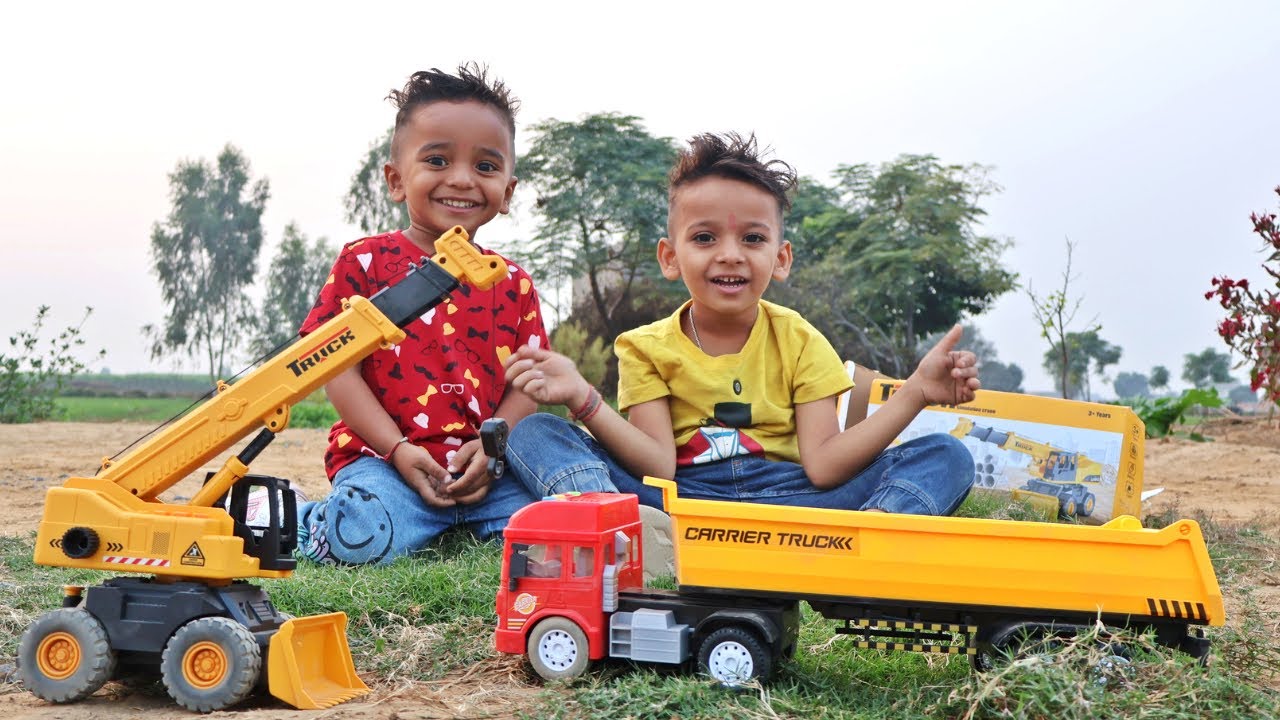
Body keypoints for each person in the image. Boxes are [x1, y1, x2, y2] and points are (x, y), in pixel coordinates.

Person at [501, 132, 975, 520]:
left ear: (781, 258)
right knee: (536, 432)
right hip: (675, 504)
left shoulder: (801, 340)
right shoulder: (643, 347)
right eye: (705, 237)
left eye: (752, 238)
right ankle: (611, 525)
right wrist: (583, 398)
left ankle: (867, 538)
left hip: (796, 504)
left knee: (946, 456)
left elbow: (826, 466)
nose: (730, 254)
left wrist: (914, 392)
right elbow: (658, 466)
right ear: (670, 257)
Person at [295, 65, 547, 565]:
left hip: (484, 468)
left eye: (486, 167)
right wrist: (396, 449)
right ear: (395, 180)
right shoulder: (364, 262)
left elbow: (528, 383)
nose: (461, 179)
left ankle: (458, 521)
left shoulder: (512, 282)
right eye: (436, 159)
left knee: (543, 535)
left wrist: (494, 448)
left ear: (509, 191)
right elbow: (335, 366)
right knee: (363, 538)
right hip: (382, 462)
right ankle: (301, 518)